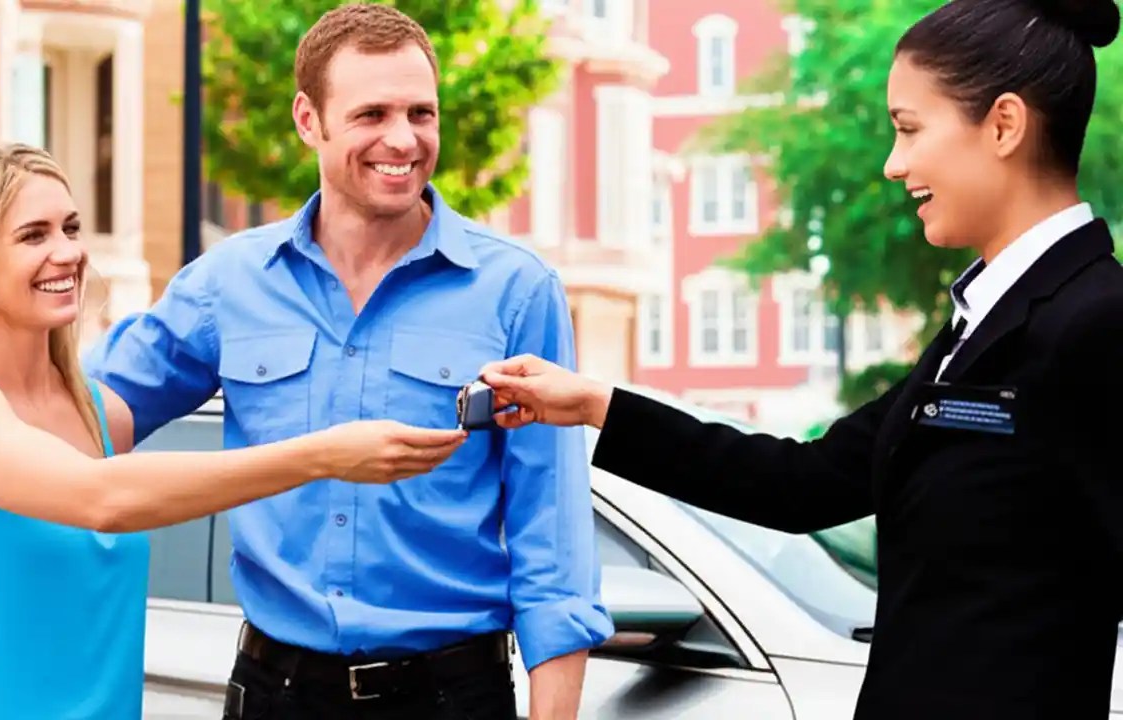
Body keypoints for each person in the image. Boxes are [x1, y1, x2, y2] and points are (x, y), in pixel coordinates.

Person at [479, 1, 1123, 718]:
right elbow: (801, 483)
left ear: (1003, 124)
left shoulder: (1097, 324)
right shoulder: (976, 332)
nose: (893, 163)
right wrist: (594, 406)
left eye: (910, 129)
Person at [83, 4, 611, 719]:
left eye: (421, 113)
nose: (403, 139)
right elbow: (85, 422)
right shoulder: (226, 286)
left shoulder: (516, 292)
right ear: (309, 120)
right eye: (372, 114)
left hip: (451, 698)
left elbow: (553, 544)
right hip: (277, 694)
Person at [0, 140, 466, 720]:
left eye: (71, 229)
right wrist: (325, 456)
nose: (67, 252)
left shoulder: (101, 415)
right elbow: (102, 497)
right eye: (33, 235)